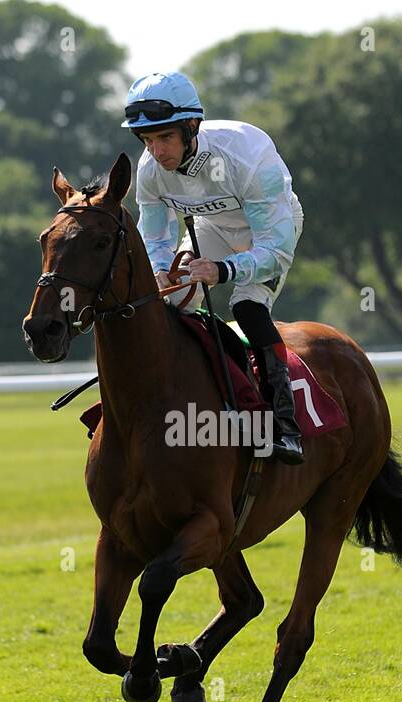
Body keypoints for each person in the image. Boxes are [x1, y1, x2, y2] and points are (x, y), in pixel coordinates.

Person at [123, 71, 306, 465]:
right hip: (213, 229)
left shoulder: (248, 155)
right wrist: (158, 270)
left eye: (165, 138)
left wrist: (222, 271)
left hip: (271, 232)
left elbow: (274, 250)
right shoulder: (151, 171)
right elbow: (153, 238)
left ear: (192, 127)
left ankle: (285, 425)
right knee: (177, 298)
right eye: (147, 140)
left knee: (247, 307)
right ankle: (194, 397)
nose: (157, 152)